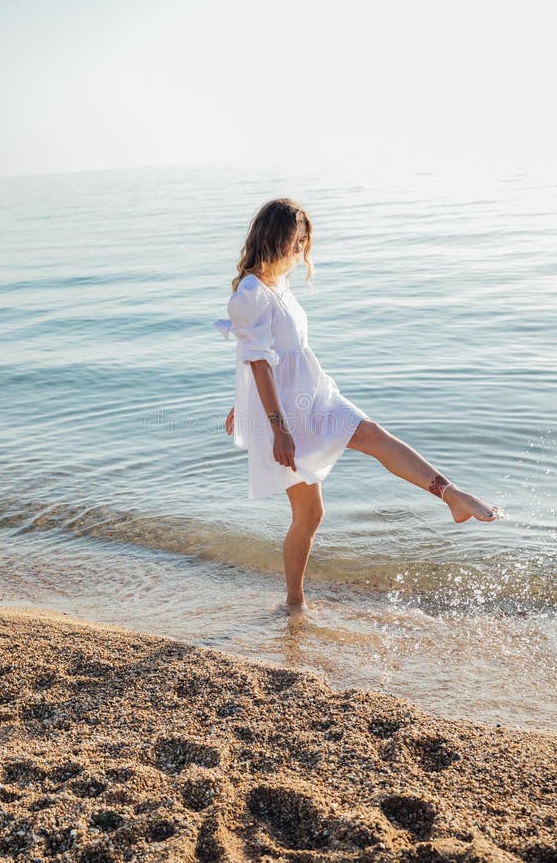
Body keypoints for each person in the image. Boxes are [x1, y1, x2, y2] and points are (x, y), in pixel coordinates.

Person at [214, 198, 503, 611]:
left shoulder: (278, 286)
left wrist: (242, 404)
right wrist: (275, 426)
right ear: (275, 239)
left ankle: (452, 496)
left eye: (304, 242)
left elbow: (265, 355)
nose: (302, 250)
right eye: (297, 241)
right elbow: (256, 361)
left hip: (316, 395)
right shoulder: (250, 292)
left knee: (372, 441)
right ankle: (294, 603)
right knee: (311, 513)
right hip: (290, 415)